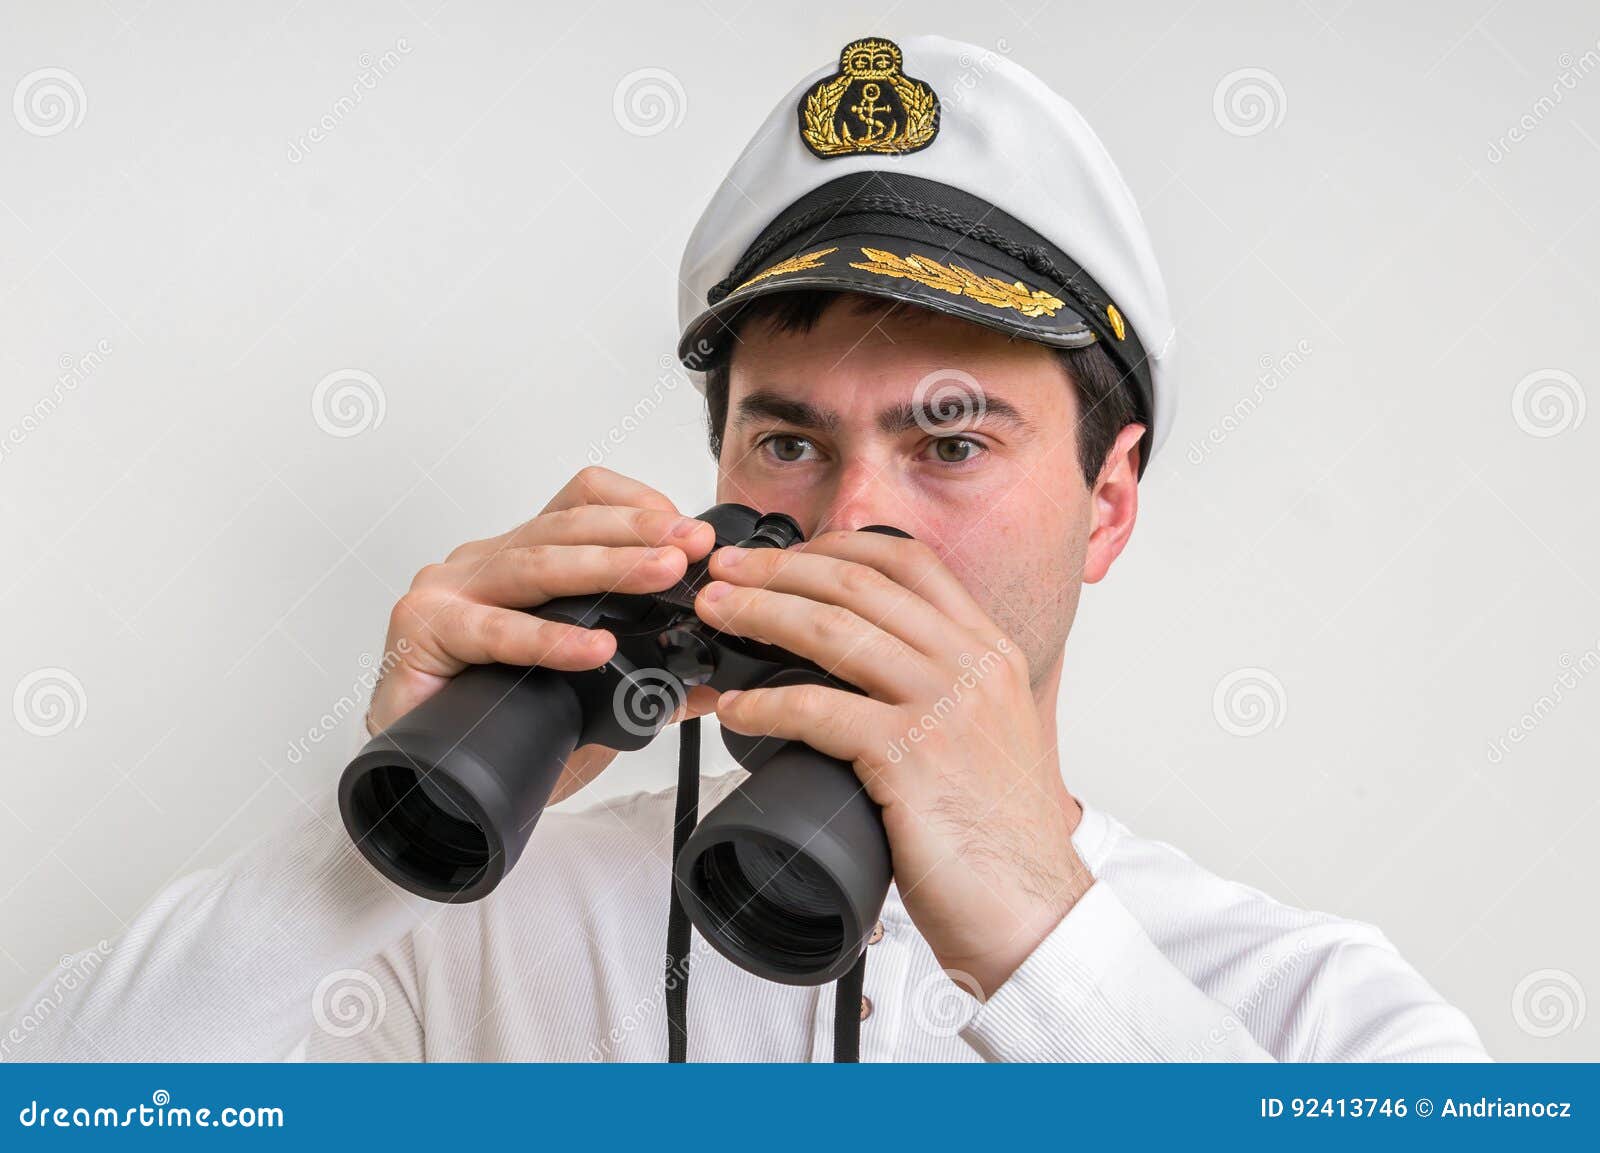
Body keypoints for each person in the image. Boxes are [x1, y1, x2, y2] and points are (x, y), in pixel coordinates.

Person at [3, 34, 1485, 1062]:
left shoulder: (1304, 1010)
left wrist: (1049, 941)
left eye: (950, 442)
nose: (849, 523)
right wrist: (393, 829)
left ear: (1110, 500)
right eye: (787, 443)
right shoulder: (479, 934)